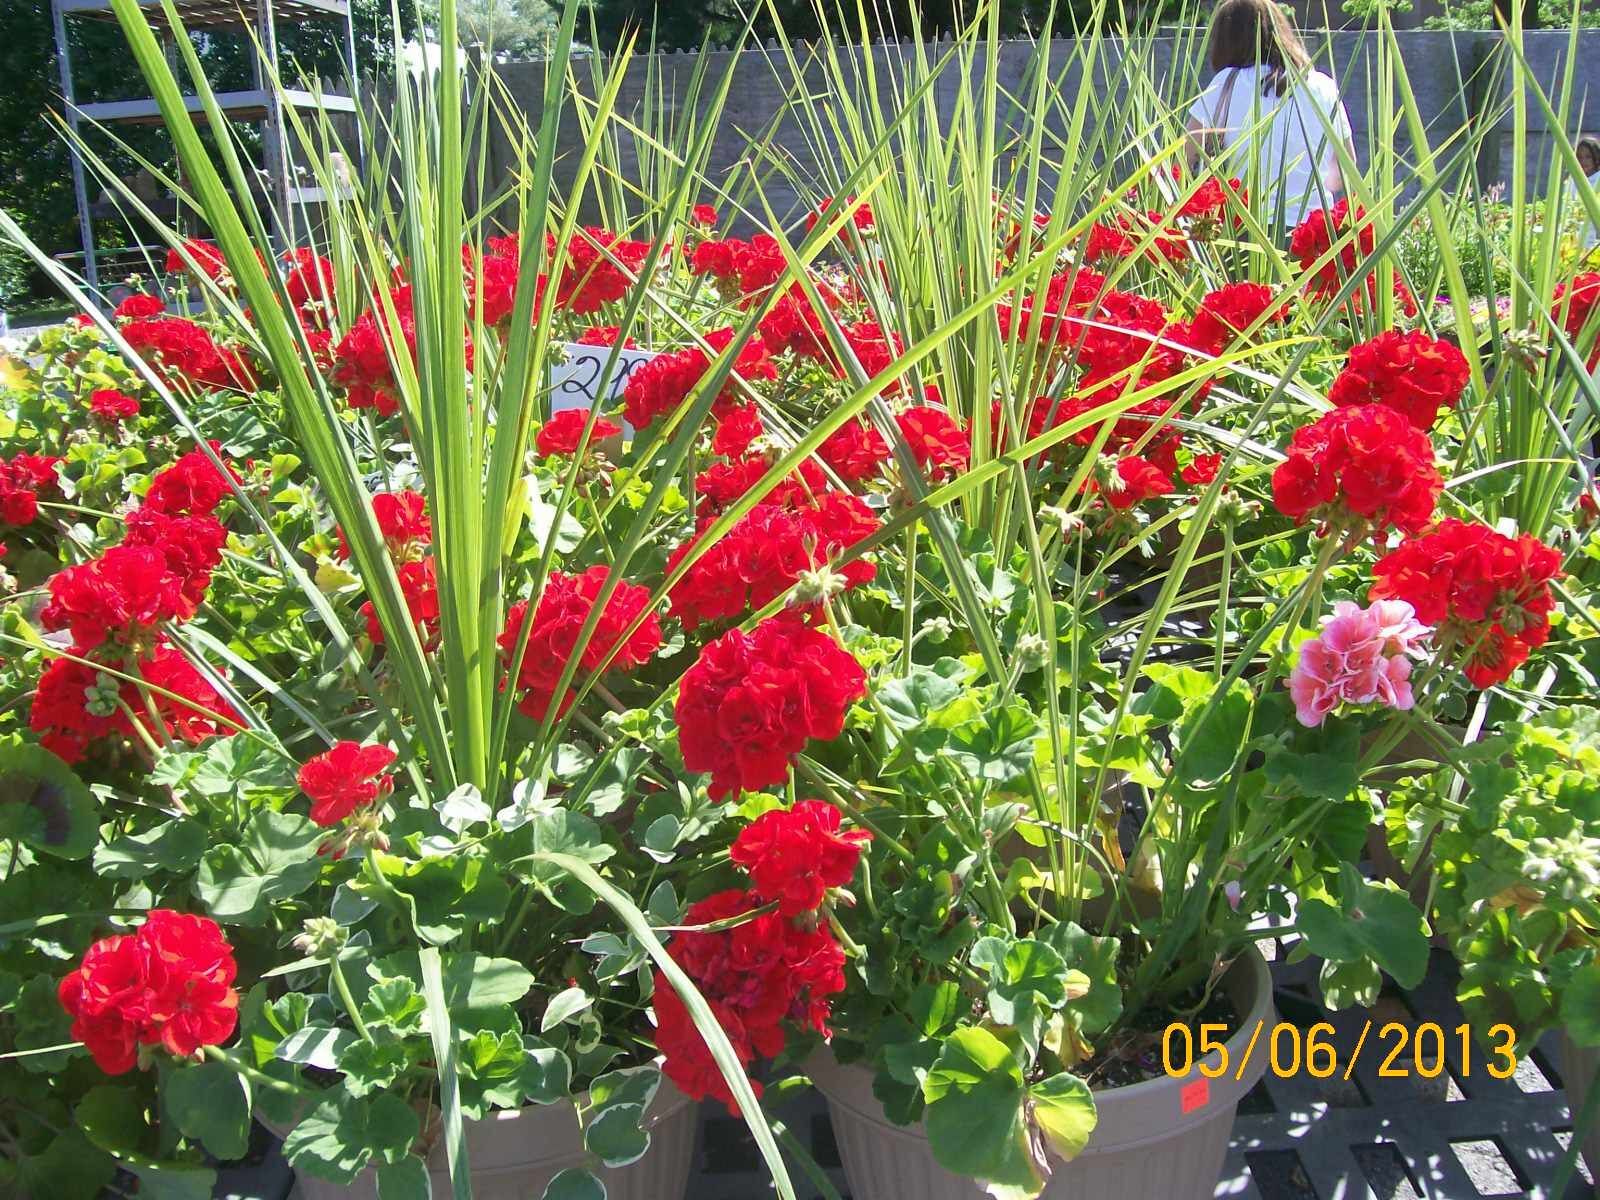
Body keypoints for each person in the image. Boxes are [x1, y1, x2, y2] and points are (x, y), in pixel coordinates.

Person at [1186, 0, 1357, 226]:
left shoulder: (1227, 82)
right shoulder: (1323, 86)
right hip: (1315, 234)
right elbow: (1346, 170)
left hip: (1247, 232)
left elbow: (1182, 160)